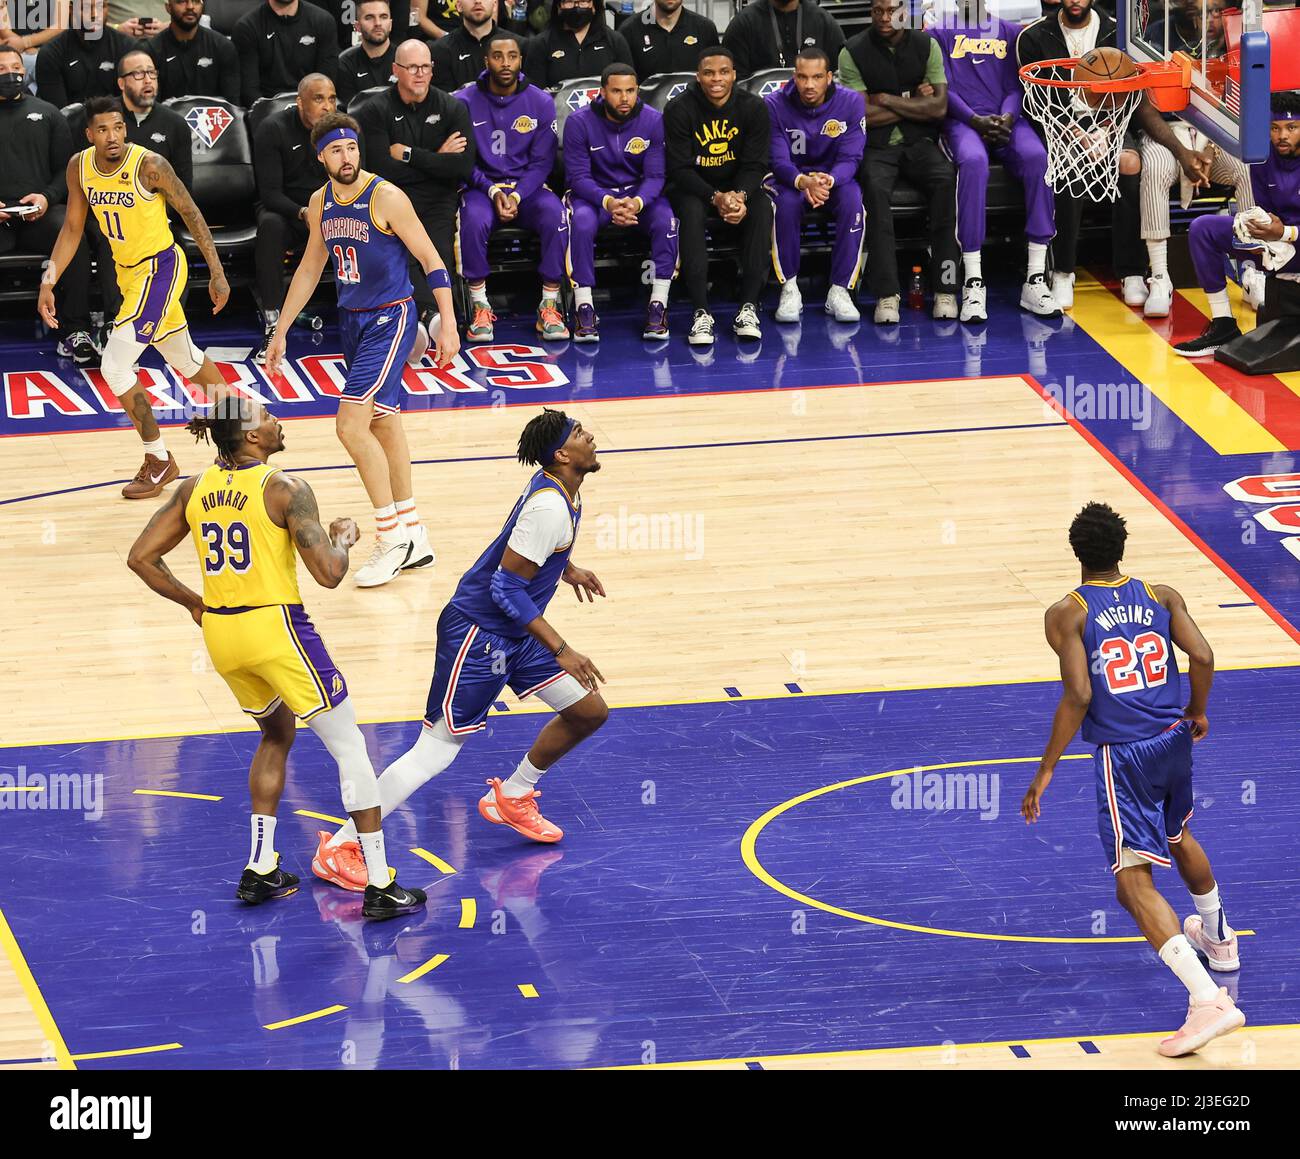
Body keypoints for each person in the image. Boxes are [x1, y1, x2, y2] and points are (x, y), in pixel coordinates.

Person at [126, 395, 429, 921]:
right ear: (249, 438)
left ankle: (262, 867)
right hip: (276, 628)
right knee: (350, 746)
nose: (275, 422)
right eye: (264, 418)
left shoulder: (193, 489)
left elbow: (140, 557)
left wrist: (195, 603)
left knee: (275, 733)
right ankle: (380, 882)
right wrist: (343, 537)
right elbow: (330, 574)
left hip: (223, 636)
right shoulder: (284, 488)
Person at [314, 408, 609, 881]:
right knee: (434, 752)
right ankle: (343, 846)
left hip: (516, 630)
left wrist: (565, 568)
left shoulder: (561, 491)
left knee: (588, 711)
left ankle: (513, 795)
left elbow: (521, 550)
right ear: (562, 455)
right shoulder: (550, 506)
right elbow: (506, 587)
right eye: (579, 433)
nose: (589, 434)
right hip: (480, 633)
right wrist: (562, 649)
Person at [1022, 501, 1245, 1058]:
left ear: (1076, 551)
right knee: (1178, 833)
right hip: (1173, 739)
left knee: (1131, 881)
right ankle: (1218, 938)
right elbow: (1204, 656)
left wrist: (1047, 767)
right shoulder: (1161, 595)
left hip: (1125, 755)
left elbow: (1079, 694)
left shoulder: (1066, 613)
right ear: (1122, 548)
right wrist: (1197, 711)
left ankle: (1207, 1001)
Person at [263, 111, 460, 588]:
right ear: (321, 157)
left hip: (391, 318)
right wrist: (281, 329)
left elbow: (431, 259)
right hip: (350, 323)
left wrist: (449, 323)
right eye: (335, 150)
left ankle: (390, 537)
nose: (346, 157)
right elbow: (311, 268)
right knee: (383, 424)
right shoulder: (320, 202)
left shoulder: (386, 196)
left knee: (349, 425)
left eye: (351, 147)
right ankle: (415, 533)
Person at [39, 95, 232, 498]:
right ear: (90, 134)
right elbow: (73, 228)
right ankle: (244, 427)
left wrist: (217, 272)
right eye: (104, 130)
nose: (113, 137)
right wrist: (48, 280)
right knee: (185, 358)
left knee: (114, 365)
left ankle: (159, 460)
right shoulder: (80, 167)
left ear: (126, 128)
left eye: (119, 127)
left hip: (161, 269)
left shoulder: (149, 165)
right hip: (129, 275)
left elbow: (192, 213)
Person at [931, 0, 1058, 322]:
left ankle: (1035, 277)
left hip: (1008, 121)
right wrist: (975, 121)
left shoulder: (1013, 33)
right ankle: (974, 280)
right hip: (962, 123)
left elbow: (1018, 86)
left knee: (1037, 159)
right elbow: (941, 88)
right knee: (973, 162)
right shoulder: (938, 33)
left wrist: (1007, 118)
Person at [841, 0, 959, 324]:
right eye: (877, 10)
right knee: (875, 193)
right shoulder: (852, 50)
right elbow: (861, 114)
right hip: (876, 147)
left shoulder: (927, 45)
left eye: (892, 11)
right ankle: (886, 293)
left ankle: (946, 287)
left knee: (945, 180)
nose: (884, 18)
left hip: (919, 142)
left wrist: (887, 99)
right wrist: (914, 100)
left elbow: (938, 109)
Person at [353, 37, 476, 337]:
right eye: (412, 67)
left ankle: (425, 317)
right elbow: (381, 169)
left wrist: (410, 155)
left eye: (425, 67)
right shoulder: (374, 110)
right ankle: (428, 315)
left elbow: (462, 167)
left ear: (433, 70)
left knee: (436, 256)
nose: (420, 73)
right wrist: (438, 161)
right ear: (395, 70)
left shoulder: (452, 107)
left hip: (438, 201)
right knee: (401, 257)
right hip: (393, 201)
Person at [456, 32, 570, 342]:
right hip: (482, 189)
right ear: (486, 60)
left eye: (512, 56)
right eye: (498, 56)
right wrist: (493, 191)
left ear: (521, 60)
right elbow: (464, 162)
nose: (505, 63)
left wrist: (517, 193)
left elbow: (542, 162)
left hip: (528, 190)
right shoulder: (462, 102)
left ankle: (549, 305)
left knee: (556, 215)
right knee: (473, 220)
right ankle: (480, 307)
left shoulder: (541, 101)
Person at [1174, 92, 1300, 356]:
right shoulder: (1262, 157)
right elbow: (1267, 212)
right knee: (1203, 229)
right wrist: (1257, 231)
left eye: (1292, 127)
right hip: (1279, 243)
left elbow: (1283, 229)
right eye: (1274, 128)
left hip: (1293, 239)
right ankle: (1223, 325)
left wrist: (1286, 233)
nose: (1282, 136)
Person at [664, 46, 771, 345]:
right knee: (691, 211)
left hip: (738, 188)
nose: (716, 79)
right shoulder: (679, 109)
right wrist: (715, 197)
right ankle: (701, 311)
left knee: (762, 208)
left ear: (734, 75)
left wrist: (738, 195)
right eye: (709, 73)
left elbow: (756, 164)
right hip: (694, 189)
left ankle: (749, 307)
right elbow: (679, 169)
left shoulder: (753, 107)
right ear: (698, 76)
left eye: (724, 72)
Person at [563, 62, 677, 341]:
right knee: (581, 221)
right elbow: (577, 177)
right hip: (595, 197)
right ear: (602, 92)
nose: (624, 98)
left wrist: (635, 203)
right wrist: (608, 202)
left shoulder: (652, 120)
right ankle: (584, 306)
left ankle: (658, 304)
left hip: (638, 197)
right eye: (616, 91)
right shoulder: (578, 122)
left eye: (630, 91)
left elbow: (655, 175)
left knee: (667, 220)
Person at [0, 44, 96, 365]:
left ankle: (75, 329)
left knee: (74, 235)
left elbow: (64, 171)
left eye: (15, 67)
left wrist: (47, 197)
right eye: (1, 69)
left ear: (24, 72)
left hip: (38, 213)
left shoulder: (48, 112)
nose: (10, 74)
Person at [85, 47, 193, 328]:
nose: (148, 81)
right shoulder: (106, 124)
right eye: (138, 74)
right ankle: (115, 321)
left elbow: (184, 186)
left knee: (173, 244)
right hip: (111, 215)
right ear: (121, 83)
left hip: (154, 219)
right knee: (108, 240)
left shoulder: (176, 124)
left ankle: (165, 322)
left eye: (152, 73)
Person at [766, 45, 865, 324]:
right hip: (791, 177)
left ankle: (840, 290)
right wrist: (802, 181)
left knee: (852, 201)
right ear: (793, 77)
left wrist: (828, 180)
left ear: (830, 77)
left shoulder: (852, 102)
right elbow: (777, 159)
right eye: (802, 77)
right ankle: (790, 287)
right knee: (785, 203)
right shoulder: (773, 104)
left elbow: (852, 157)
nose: (809, 85)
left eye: (817, 77)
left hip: (832, 178)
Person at [252, 73, 338, 362]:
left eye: (332, 99)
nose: (328, 107)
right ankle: (273, 323)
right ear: (300, 103)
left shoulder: (342, 130)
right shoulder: (273, 129)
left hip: (330, 209)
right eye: (318, 99)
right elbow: (270, 193)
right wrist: (303, 213)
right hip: (288, 210)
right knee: (270, 225)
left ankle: (368, 318)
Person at [232, 0, 338, 108]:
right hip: (268, 109)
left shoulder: (323, 21)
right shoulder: (247, 27)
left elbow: (326, 82)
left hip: (312, 108)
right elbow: (250, 91)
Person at [35, 0, 132, 108]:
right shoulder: (51, 53)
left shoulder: (125, 46)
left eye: (101, 7)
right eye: (86, 8)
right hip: (70, 122)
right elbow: (57, 113)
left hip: (117, 121)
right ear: (71, 10)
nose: (94, 15)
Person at [722, 0, 846, 80]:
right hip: (760, 113)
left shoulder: (823, 21)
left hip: (813, 114)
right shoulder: (743, 23)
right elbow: (734, 81)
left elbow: (839, 75)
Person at [146, 0, 240, 104]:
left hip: (211, 118)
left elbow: (233, 103)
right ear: (168, 7)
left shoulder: (223, 47)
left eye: (196, 1)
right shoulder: (151, 51)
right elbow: (150, 107)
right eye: (182, 1)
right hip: (168, 118)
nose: (190, 6)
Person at [524, 0, 633, 89]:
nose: (576, 7)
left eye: (583, 1)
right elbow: (535, 95)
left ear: (594, 6)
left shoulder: (615, 41)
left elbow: (628, 87)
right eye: (569, 2)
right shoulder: (541, 44)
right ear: (559, 6)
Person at [618, 0, 720, 82]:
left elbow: (715, 77)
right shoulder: (629, 30)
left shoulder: (705, 29)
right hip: (647, 106)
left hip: (694, 107)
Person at [429, 0, 499, 93]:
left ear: (495, 5)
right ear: (458, 6)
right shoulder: (440, 50)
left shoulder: (518, 47)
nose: (478, 1)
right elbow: (443, 102)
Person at [337, 0, 395, 108]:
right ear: (357, 26)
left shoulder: (405, 60)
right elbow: (350, 110)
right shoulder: (345, 64)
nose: (378, 23)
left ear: (390, 24)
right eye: (369, 17)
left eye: (383, 17)